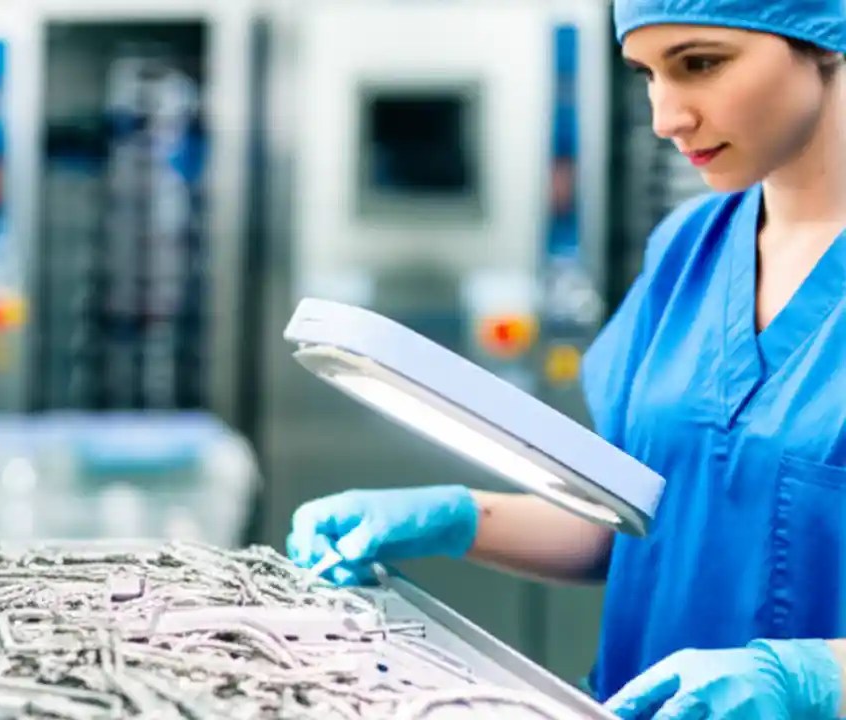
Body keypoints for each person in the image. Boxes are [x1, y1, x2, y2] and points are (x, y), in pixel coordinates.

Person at [286, 0, 846, 717]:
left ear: (824, 38)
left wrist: (816, 680)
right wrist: (456, 516)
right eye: (647, 74)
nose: (666, 117)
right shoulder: (687, 250)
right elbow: (634, 523)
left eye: (701, 64)